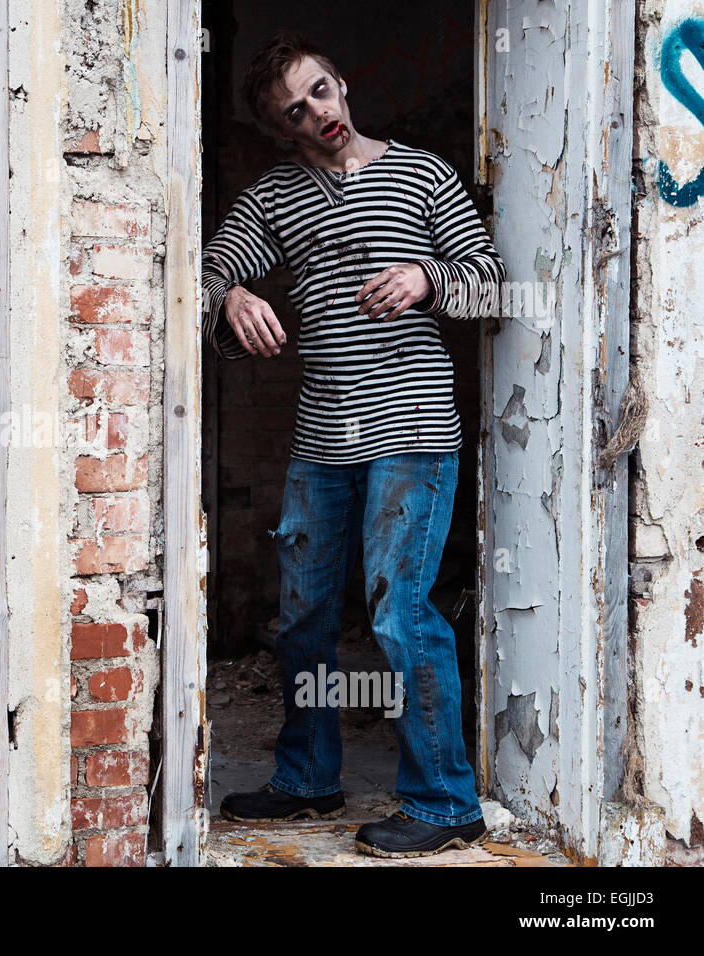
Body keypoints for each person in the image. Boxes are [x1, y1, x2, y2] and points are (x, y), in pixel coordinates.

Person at [204, 30, 506, 858]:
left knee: (400, 612)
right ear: (282, 128)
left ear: (342, 84)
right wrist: (230, 294)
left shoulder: (423, 174)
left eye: (320, 92)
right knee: (302, 616)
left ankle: (446, 804)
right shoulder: (275, 196)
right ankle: (307, 780)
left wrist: (429, 278)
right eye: (294, 111)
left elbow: (490, 280)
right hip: (322, 435)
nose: (317, 114)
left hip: (412, 427)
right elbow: (205, 270)